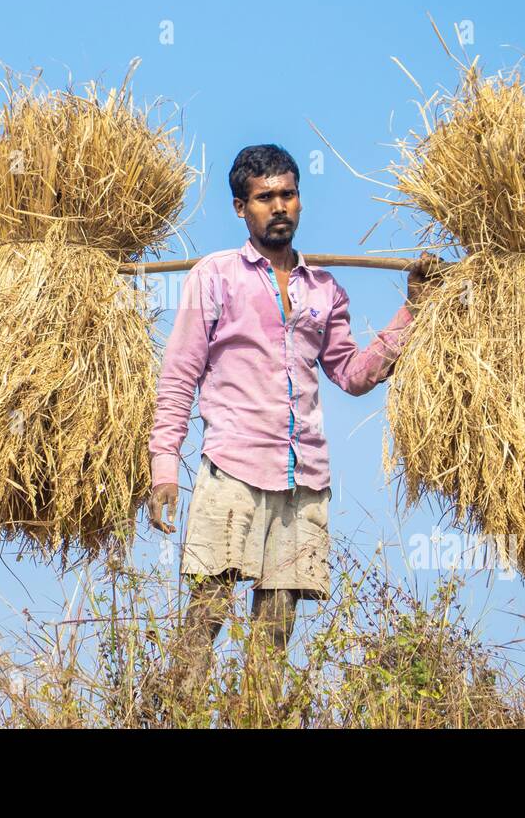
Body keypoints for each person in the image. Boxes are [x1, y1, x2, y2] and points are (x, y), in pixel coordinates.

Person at [146, 143, 438, 706]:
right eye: (264, 198)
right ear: (240, 208)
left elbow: (352, 375)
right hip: (231, 468)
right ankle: (172, 717)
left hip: (304, 478)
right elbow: (179, 376)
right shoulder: (215, 277)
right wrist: (164, 467)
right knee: (205, 616)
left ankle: (255, 720)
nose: (279, 206)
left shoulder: (324, 289)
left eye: (288, 194)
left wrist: (413, 310)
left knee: (276, 630)